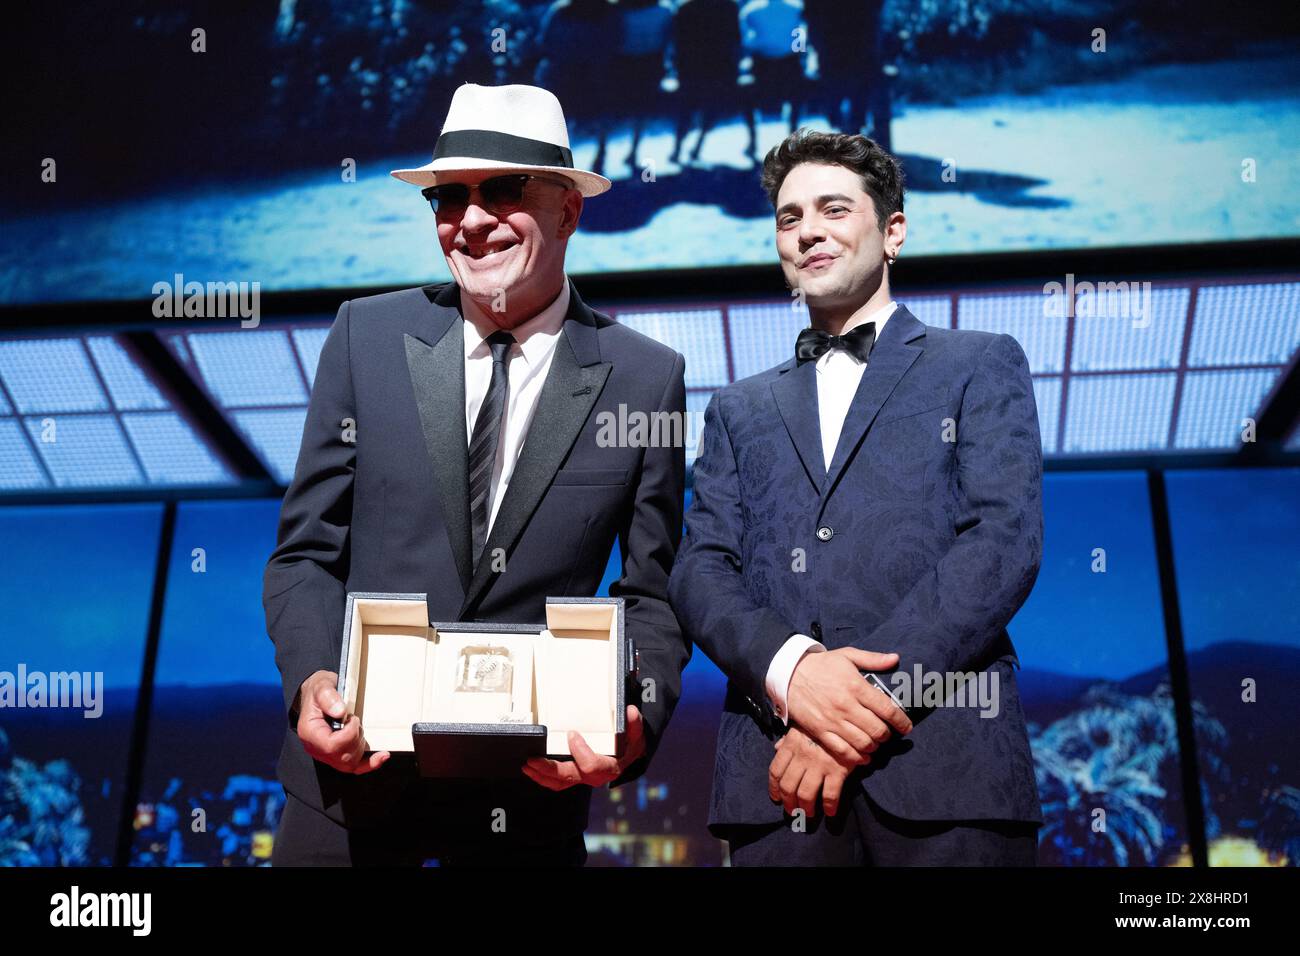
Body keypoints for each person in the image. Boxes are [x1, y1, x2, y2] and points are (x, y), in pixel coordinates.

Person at [265, 83, 689, 866]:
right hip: (346, 800)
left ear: (569, 208)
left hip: (528, 808)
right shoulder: (365, 335)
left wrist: (634, 717)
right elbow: (304, 556)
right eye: (447, 199)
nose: (471, 219)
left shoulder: (645, 377)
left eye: (502, 190)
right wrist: (313, 681)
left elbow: (653, 596)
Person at [669, 128, 1044, 865]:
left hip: (949, 778)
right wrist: (795, 671)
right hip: (776, 793)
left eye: (834, 209)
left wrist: (851, 711)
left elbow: (1003, 543)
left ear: (893, 231)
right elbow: (699, 570)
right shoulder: (737, 408)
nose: (808, 229)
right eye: (789, 216)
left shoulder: (980, 363)